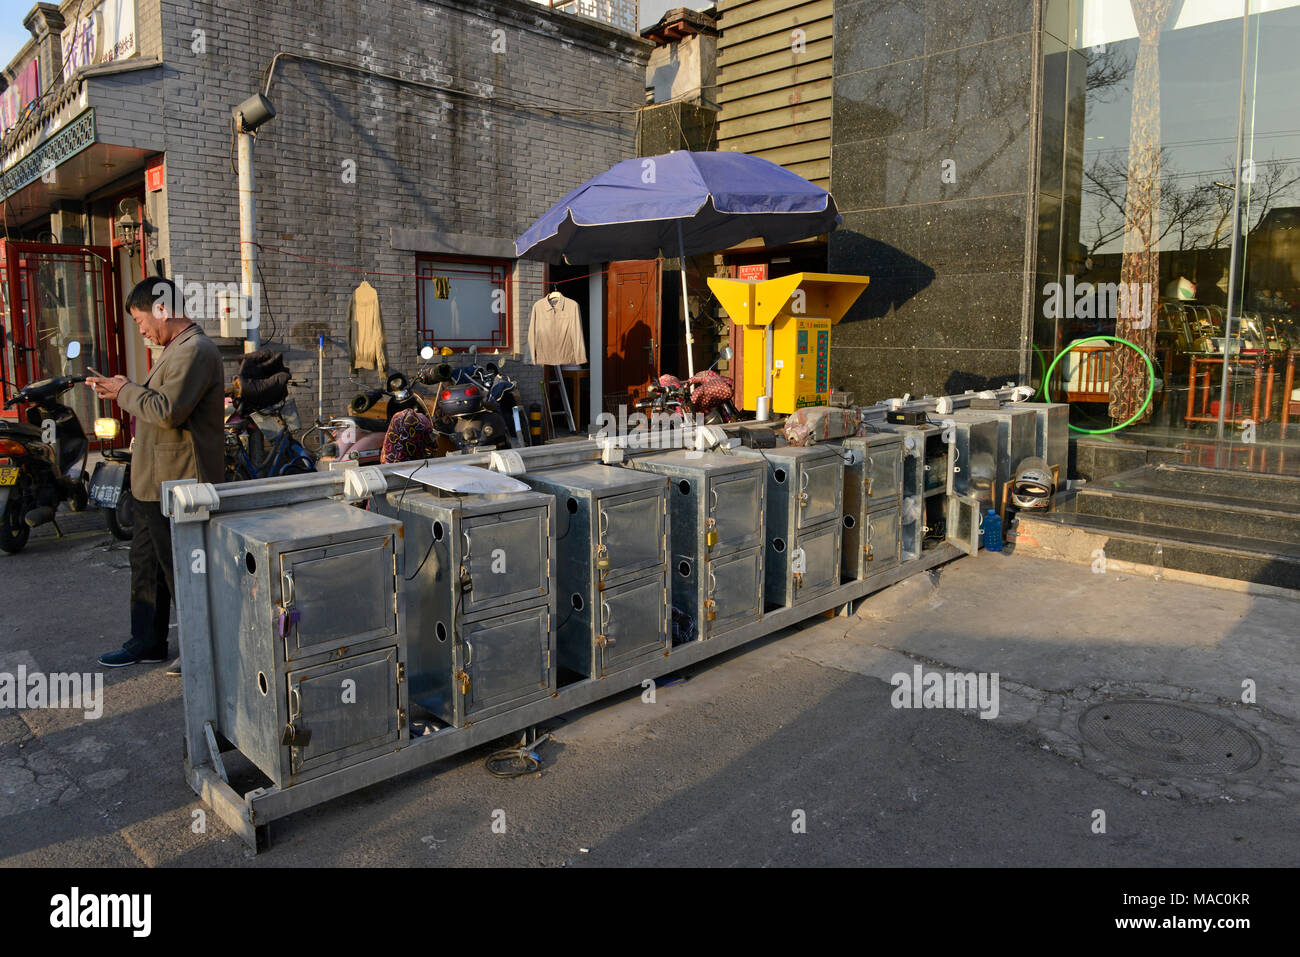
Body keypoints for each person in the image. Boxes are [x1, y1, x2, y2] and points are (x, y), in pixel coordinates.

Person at [87, 278, 225, 669]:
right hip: (154, 482)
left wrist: (124, 390)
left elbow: (168, 411)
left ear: (162, 309)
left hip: (180, 481)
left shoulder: (195, 350)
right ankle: (146, 641)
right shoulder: (174, 350)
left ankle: (203, 648)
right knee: (146, 565)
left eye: (140, 320)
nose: (141, 330)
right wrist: (122, 390)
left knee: (181, 572)